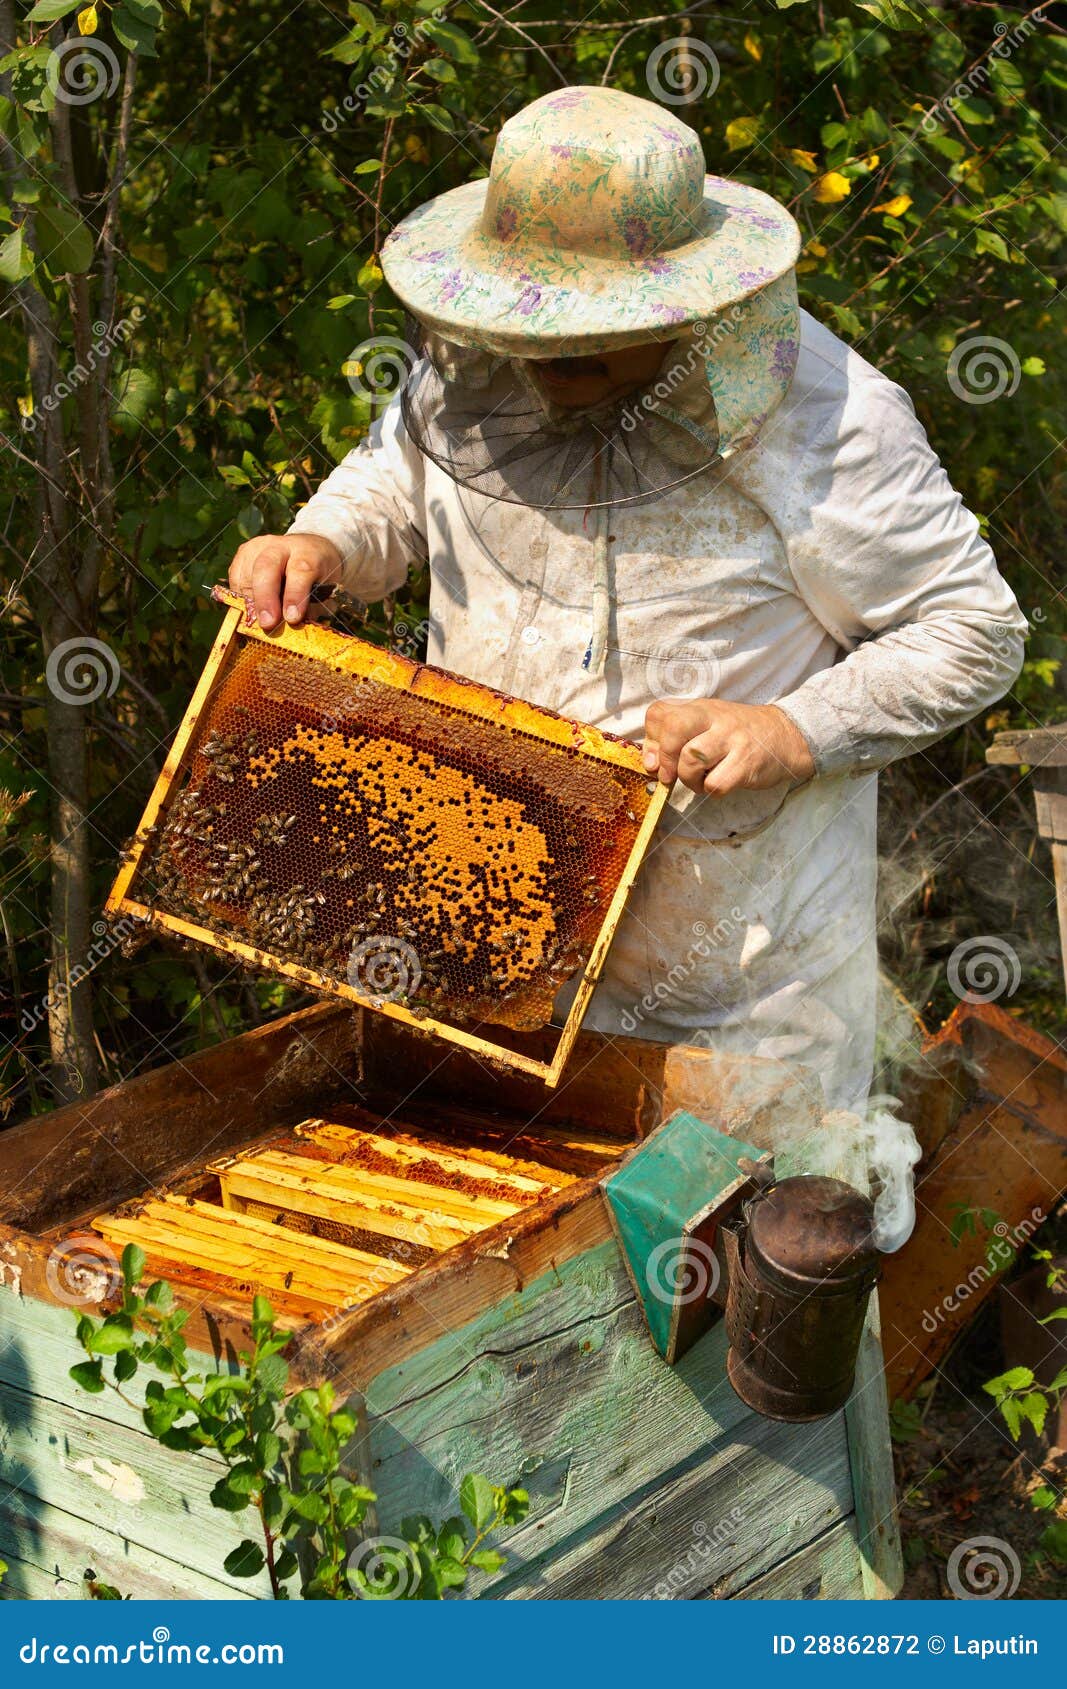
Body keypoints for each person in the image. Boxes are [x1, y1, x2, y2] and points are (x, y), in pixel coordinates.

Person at [227, 85, 1026, 1113]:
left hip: (735, 993)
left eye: (590, 326)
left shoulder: (829, 419)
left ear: (688, 305)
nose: (549, 352)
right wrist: (321, 542)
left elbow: (972, 631)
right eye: (537, 321)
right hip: (485, 945)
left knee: (749, 1219)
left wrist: (789, 730)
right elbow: (394, 479)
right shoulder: (482, 354)